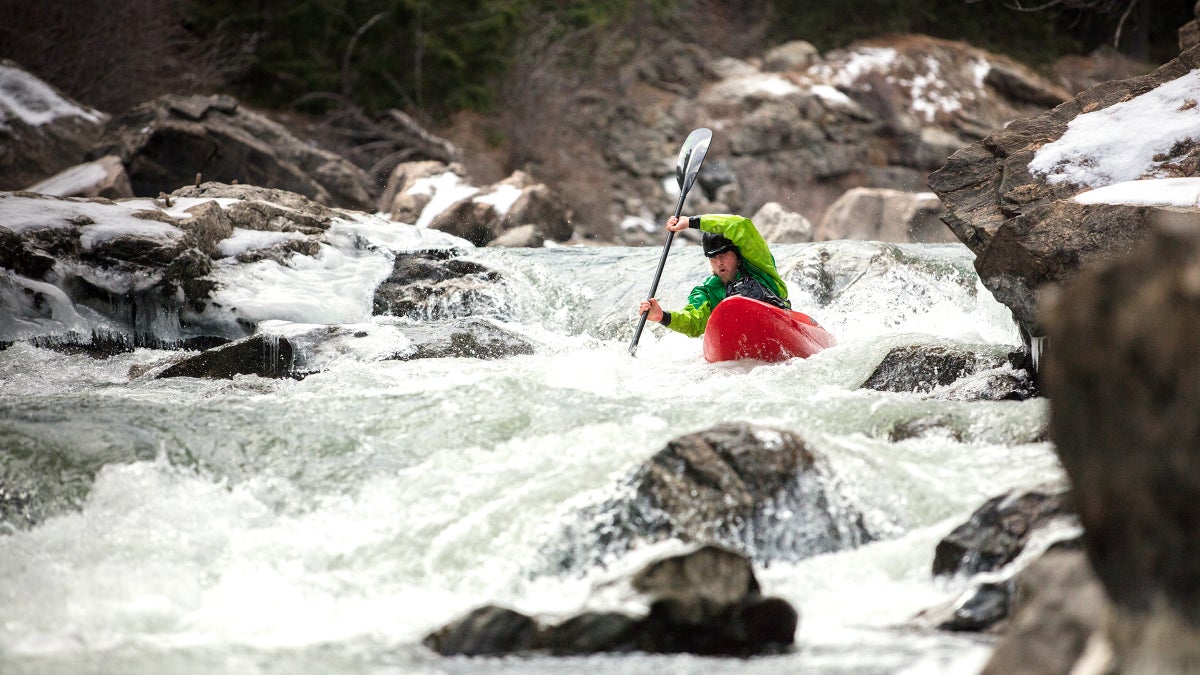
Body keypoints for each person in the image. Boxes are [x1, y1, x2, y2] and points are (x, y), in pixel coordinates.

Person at [638, 213, 790, 338]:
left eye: (724, 254)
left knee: (745, 288)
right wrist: (663, 317)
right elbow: (694, 322)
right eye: (713, 257)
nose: (719, 262)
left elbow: (740, 225)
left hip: (780, 321)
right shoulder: (706, 291)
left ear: (737, 255)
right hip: (741, 338)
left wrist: (691, 222)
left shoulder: (760, 266)